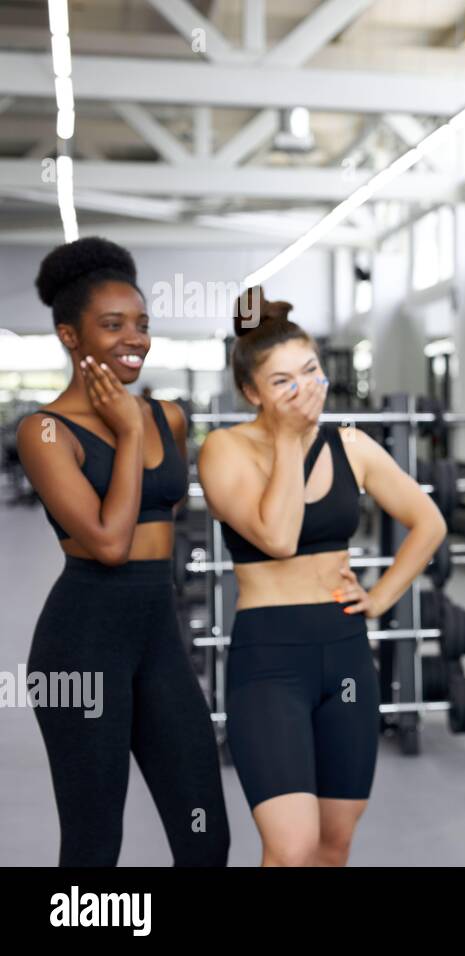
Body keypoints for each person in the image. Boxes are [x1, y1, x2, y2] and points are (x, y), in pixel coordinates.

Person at [198, 288, 445, 866]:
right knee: (290, 849)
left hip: (346, 655)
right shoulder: (223, 451)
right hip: (270, 663)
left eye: (309, 370)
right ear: (251, 392)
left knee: (332, 847)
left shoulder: (353, 446)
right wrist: (286, 437)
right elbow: (279, 539)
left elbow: (427, 522)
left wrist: (381, 597)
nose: (303, 387)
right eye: (282, 380)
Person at [17, 237, 230, 866]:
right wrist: (131, 432)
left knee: (204, 839)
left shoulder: (172, 418)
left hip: (157, 642)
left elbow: (171, 518)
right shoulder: (46, 431)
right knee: (92, 847)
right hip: (80, 647)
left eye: (141, 323)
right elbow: (109, 543)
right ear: (69, 336)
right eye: (111, 325)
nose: (133, 338)